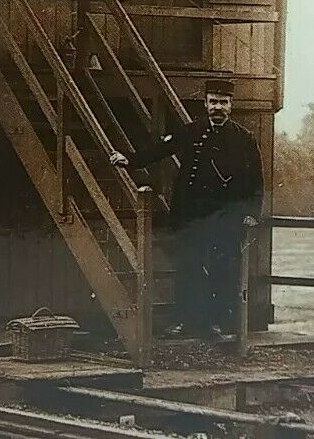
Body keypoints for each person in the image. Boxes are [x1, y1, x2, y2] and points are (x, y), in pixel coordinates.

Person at [110, 76, 263, 340]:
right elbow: (161, 148)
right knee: (188, 268)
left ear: (231, 105)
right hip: (191, 216)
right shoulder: (191, 131)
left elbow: (256, 181)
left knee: (221, 270)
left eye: (223, 102)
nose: (218, 107)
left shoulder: (244, 139)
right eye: (213, 102)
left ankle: (217, 322)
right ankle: (187, 322)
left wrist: (251, 213)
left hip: (223, 217)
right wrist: (131, 160)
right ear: (205, 103)